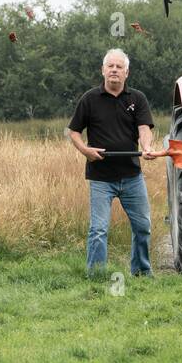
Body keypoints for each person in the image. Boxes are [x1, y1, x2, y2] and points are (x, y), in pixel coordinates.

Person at [66, 48, 159, 277]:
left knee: (143, 227)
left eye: (119, 67)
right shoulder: (89, 99)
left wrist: (146, 147)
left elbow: (144, 129)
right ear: (103, 70)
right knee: (98, 230)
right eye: (111, 66)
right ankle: (96, 275)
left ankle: (141, 272)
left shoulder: (137, 99)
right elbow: (74, 131)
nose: (114, 70)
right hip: (100, 178)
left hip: (131, 177)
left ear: (126, 73)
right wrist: (85, 150)